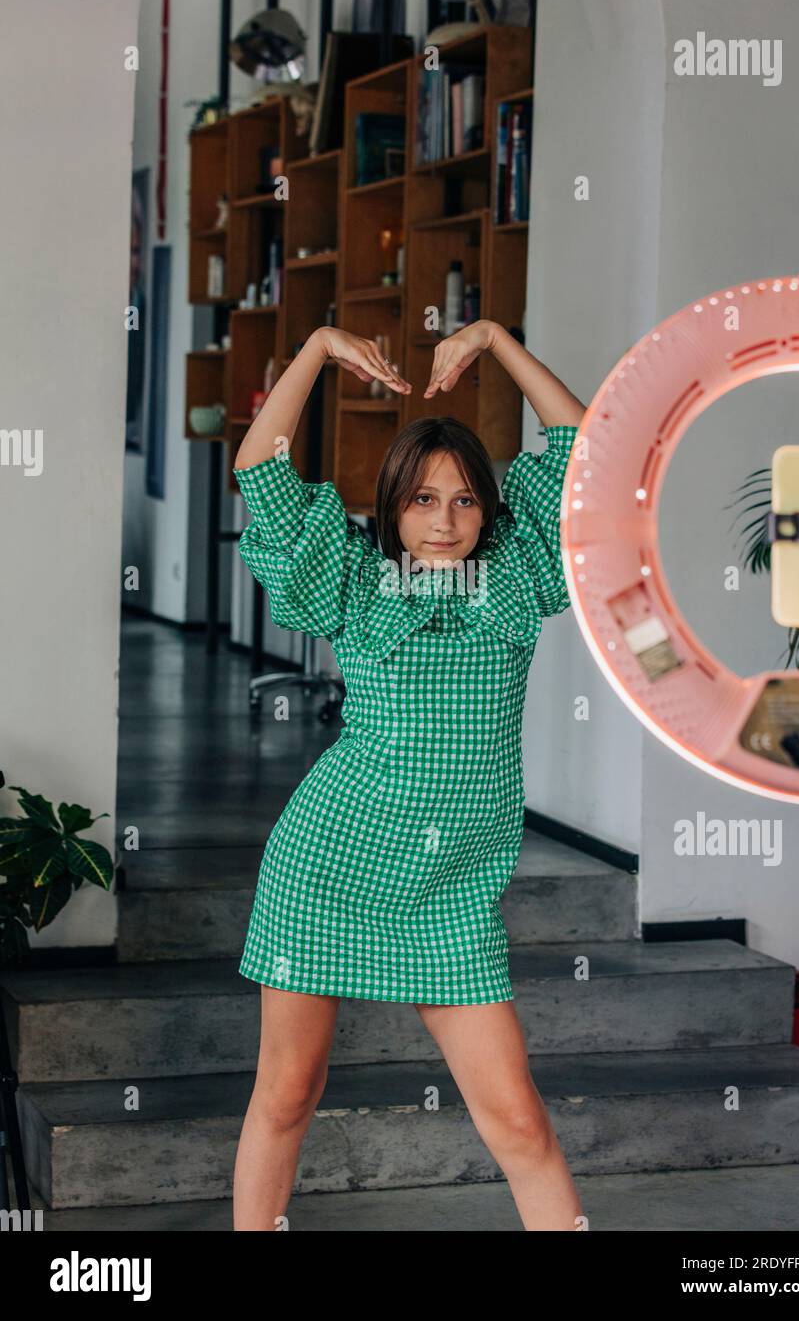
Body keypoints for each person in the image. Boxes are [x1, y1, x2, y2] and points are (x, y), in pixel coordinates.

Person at [231, 320, 588, 1231]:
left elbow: (585, 439)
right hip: (331, 864)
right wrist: (314, 349)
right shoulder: (350, 579)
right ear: (392, 507)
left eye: (466, 502)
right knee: (288, 1094)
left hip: (455, 889)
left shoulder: (519, 572)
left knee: (518, 1119)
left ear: (489, 514)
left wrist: (499, 343)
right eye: (424, 501)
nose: (444, 521)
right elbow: (262, 469)